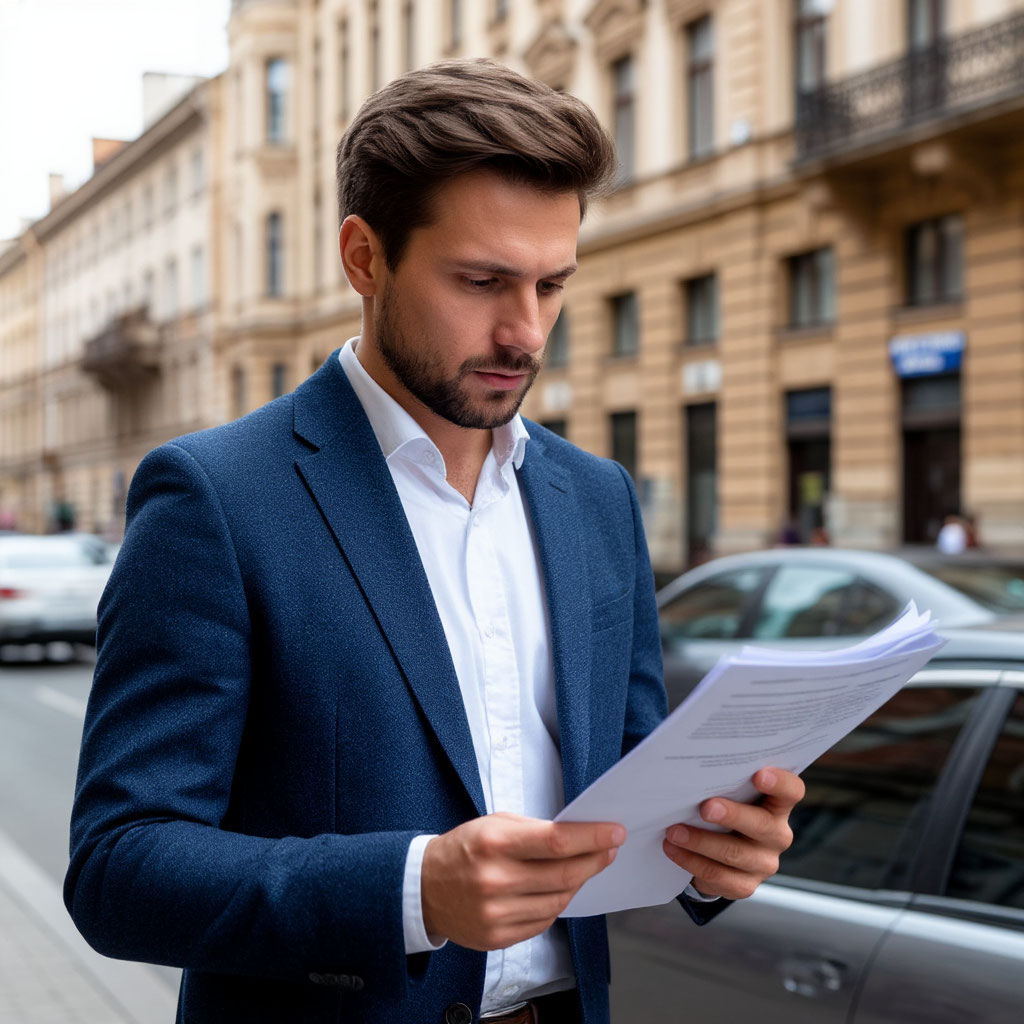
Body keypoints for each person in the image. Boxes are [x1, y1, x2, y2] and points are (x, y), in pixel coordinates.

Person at [65, 60, 803, 1024]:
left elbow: (628, 783)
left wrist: (713, 849)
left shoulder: (596, 498)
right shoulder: (217, 497)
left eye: (552, 284)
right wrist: (412, 890)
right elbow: (119, 866)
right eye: (481, 281)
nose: (525, 332)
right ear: (364, 258)